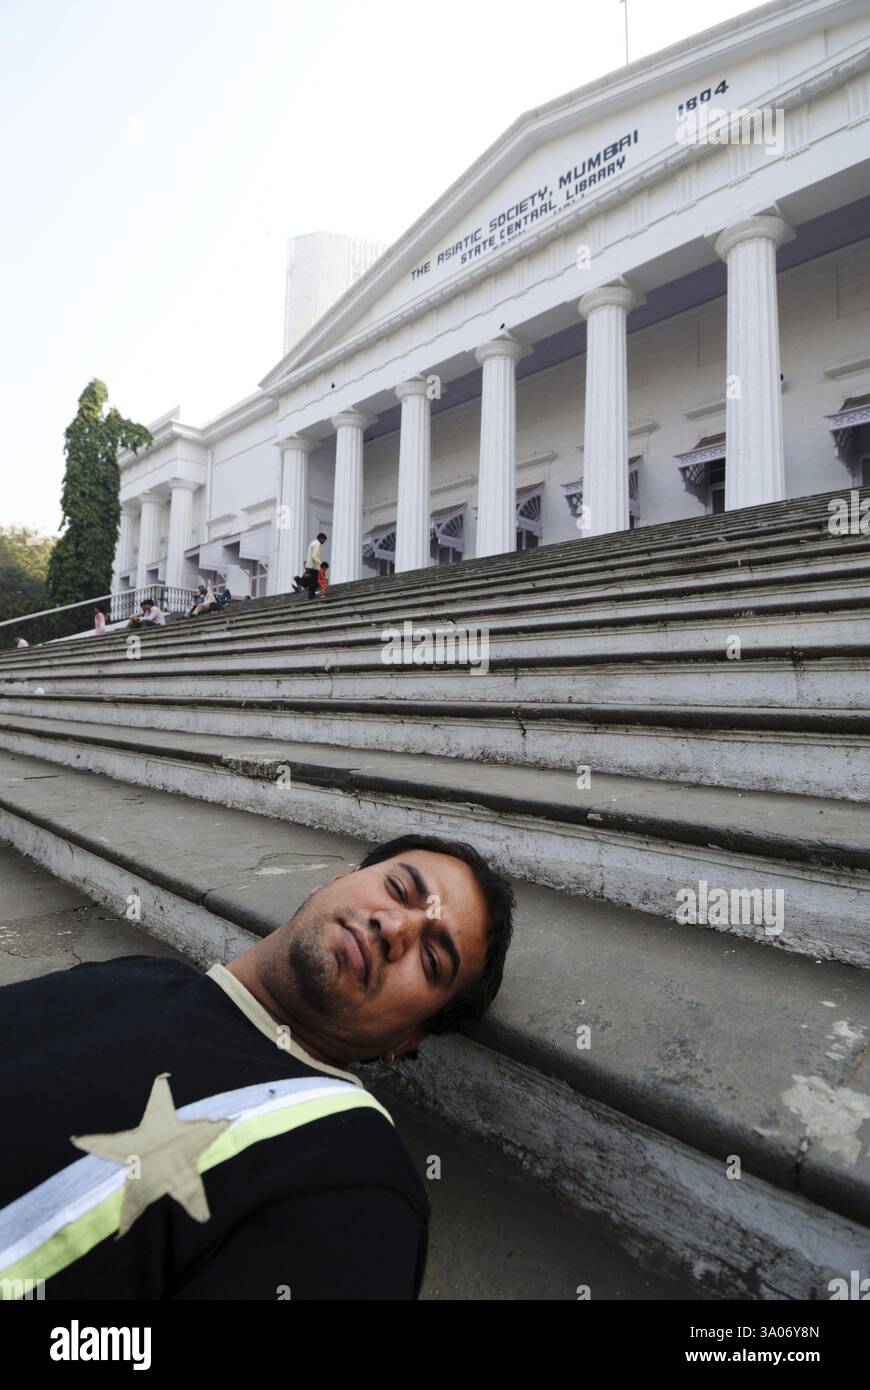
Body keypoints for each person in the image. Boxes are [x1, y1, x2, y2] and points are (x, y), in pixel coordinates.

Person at [0, 834, 514, 1300]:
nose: (394, 927)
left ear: (408, 1040)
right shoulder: (134, 976)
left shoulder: (358, 1178)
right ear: (333, 883)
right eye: (398, 888)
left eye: (431, 960)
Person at [303, 532, 327, 601]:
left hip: (310, 566)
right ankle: (310, 595)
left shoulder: (313, 543)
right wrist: (321, 563)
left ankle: (305, 585)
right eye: (324, 540)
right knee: (316, 582)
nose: (324, 542)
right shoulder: (317, 544)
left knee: (313, 582)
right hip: (314, 567)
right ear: (321, 538)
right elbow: (314, 556)